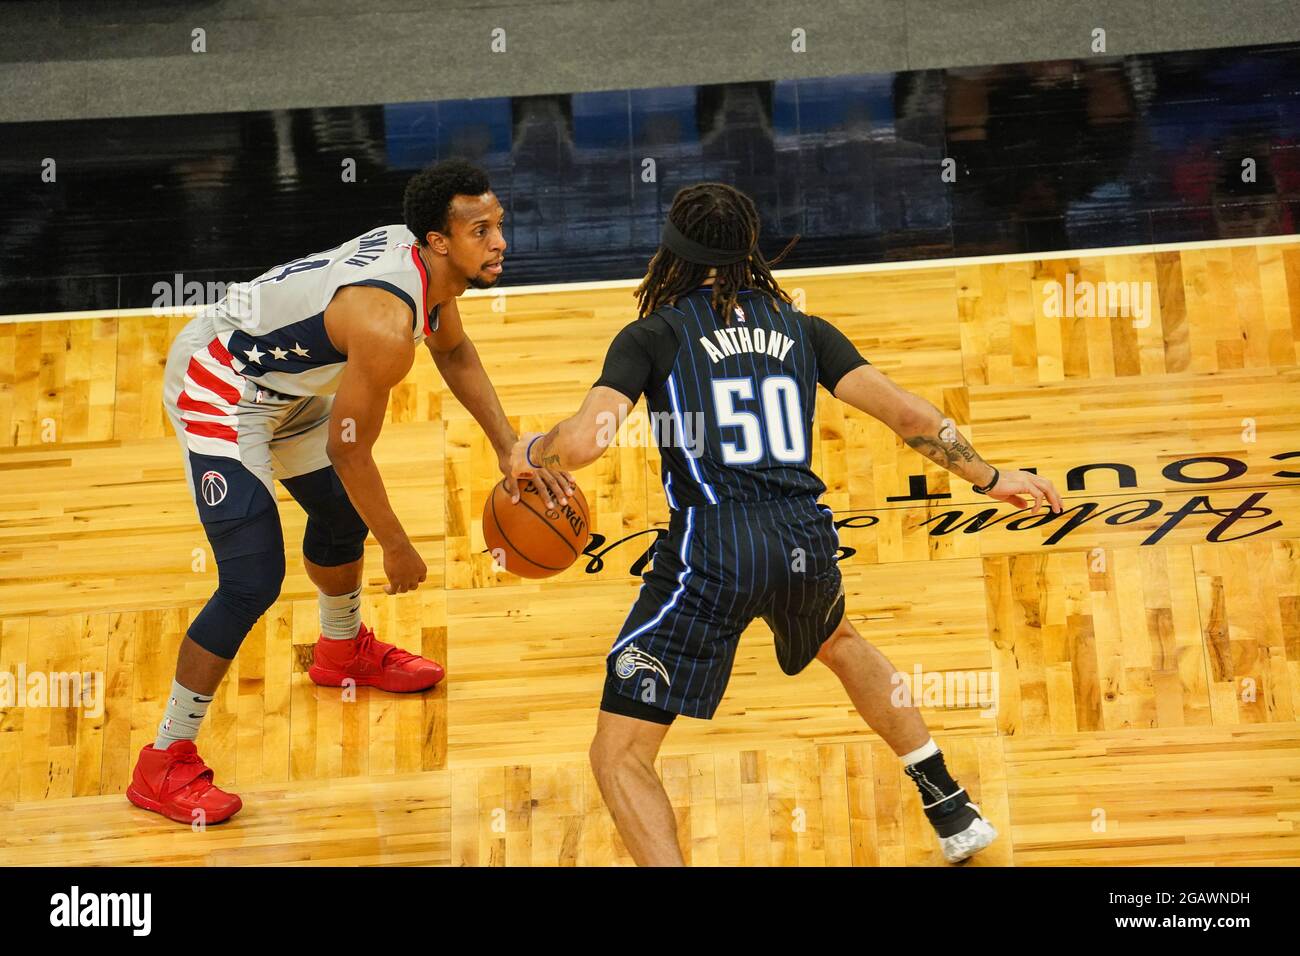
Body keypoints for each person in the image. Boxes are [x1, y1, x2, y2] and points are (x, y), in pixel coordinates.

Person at [508, 182, 1062, 865]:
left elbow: (589, 441)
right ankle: (949, 804)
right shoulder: (803, 328)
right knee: (839, 638)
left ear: (670, 251)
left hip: (712, 550)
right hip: (803, 537)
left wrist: (533, 450)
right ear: (750, 250)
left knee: (619, 754)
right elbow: (911, 418)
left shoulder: (653, 334)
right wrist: (993, 476)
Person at [128, 159, 572, 825]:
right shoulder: (385, 326)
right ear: (438, 241)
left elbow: (453, 353)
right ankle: (164, 760)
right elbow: (349, 446)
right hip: (221, 382)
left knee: (337, 517)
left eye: (498, 225)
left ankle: (341, 653)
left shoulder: (431, 273)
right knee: (251, 579)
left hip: (292, 384)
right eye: (481, 230)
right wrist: (399, 547)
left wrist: (508, 445)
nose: (500, 241)